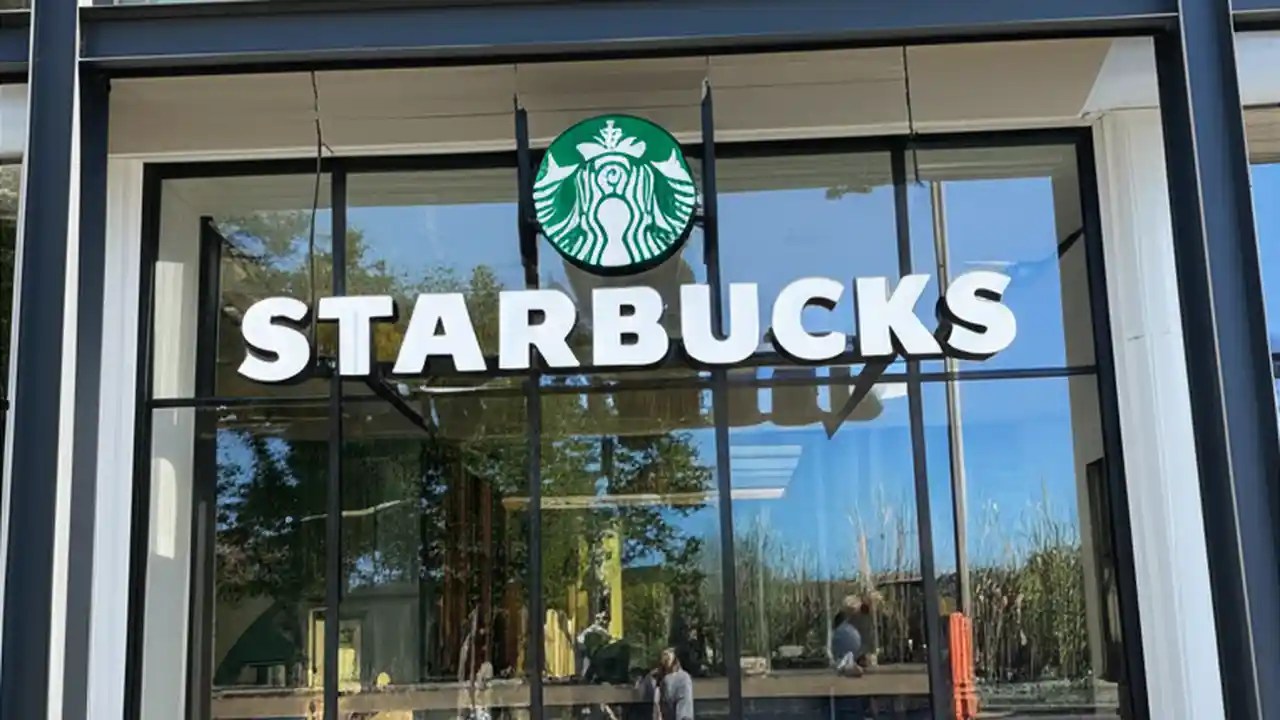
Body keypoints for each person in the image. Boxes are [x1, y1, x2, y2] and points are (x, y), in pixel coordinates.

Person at [655, 647, 694, 720]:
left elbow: (684, 705)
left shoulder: (682, 678)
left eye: (669, 654)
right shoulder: (658, 678)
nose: (666, 657)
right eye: (664, 655)